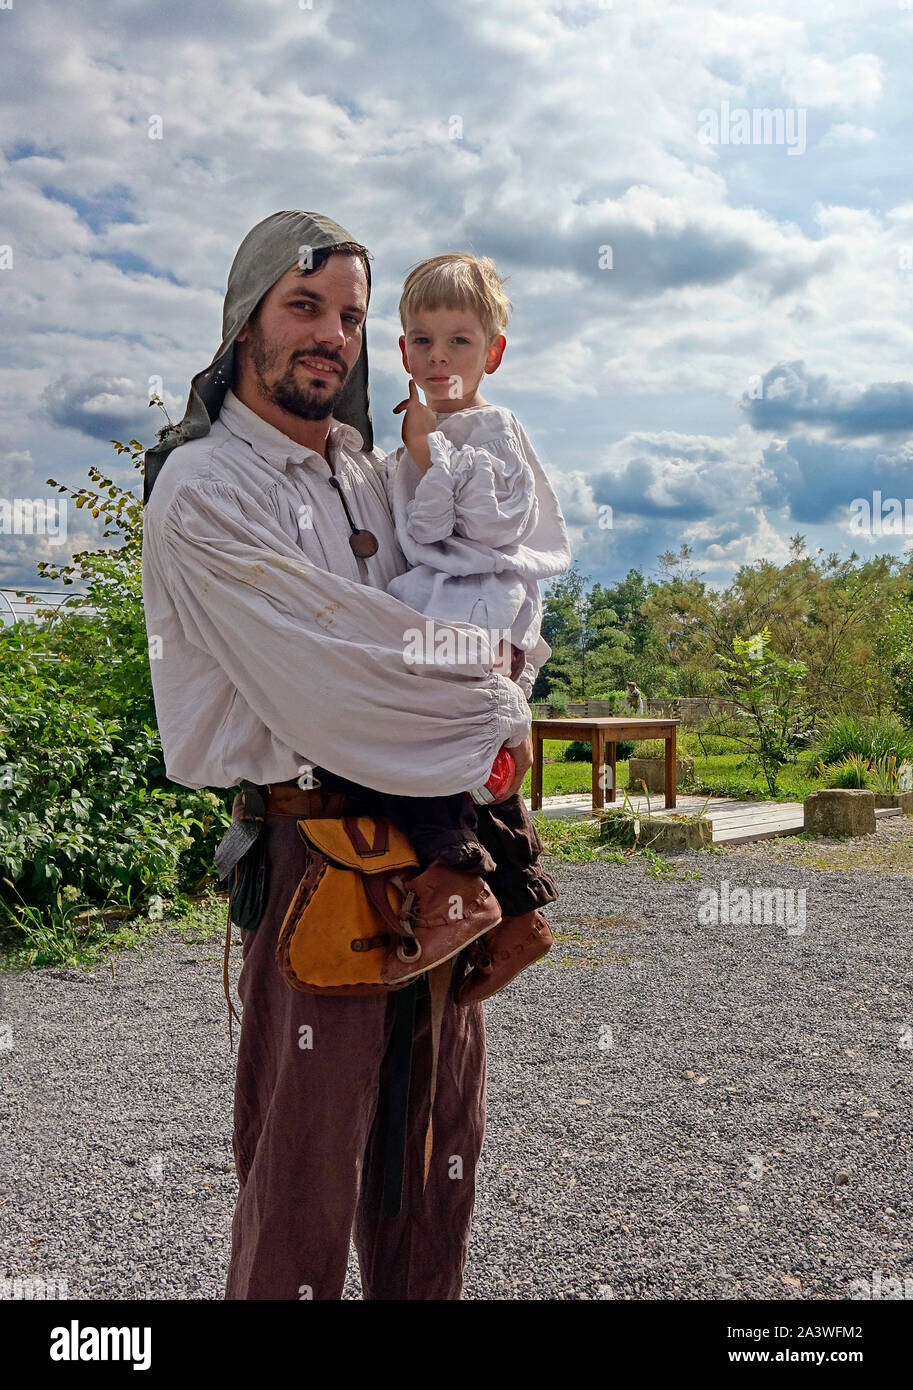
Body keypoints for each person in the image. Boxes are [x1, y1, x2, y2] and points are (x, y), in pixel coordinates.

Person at [140, 210, 554, 1300]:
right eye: (305, 306)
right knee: (303, 1181)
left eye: (354, 318)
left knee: (432, 1158)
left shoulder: (374, 473)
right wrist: (489, 692)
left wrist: (482, 675)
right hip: (313, 856)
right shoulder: (205, 488)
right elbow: (341, 684)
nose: (333, 334)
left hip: (437, 856)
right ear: (246, 321)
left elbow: (499, 583)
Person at [375, 253, 571, 1003]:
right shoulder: (424, 430)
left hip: (479, 601)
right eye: (421, 341)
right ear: (401, 352)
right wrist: (420, 448)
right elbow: (418, 529)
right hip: (443, 597)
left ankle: (455, 885)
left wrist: (432, 450)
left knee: (418, 730)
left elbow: (492, 526)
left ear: (491, 351)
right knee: (472, 760)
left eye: (458, 341)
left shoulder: (493, 427)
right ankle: (517, 910)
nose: (438, 357)